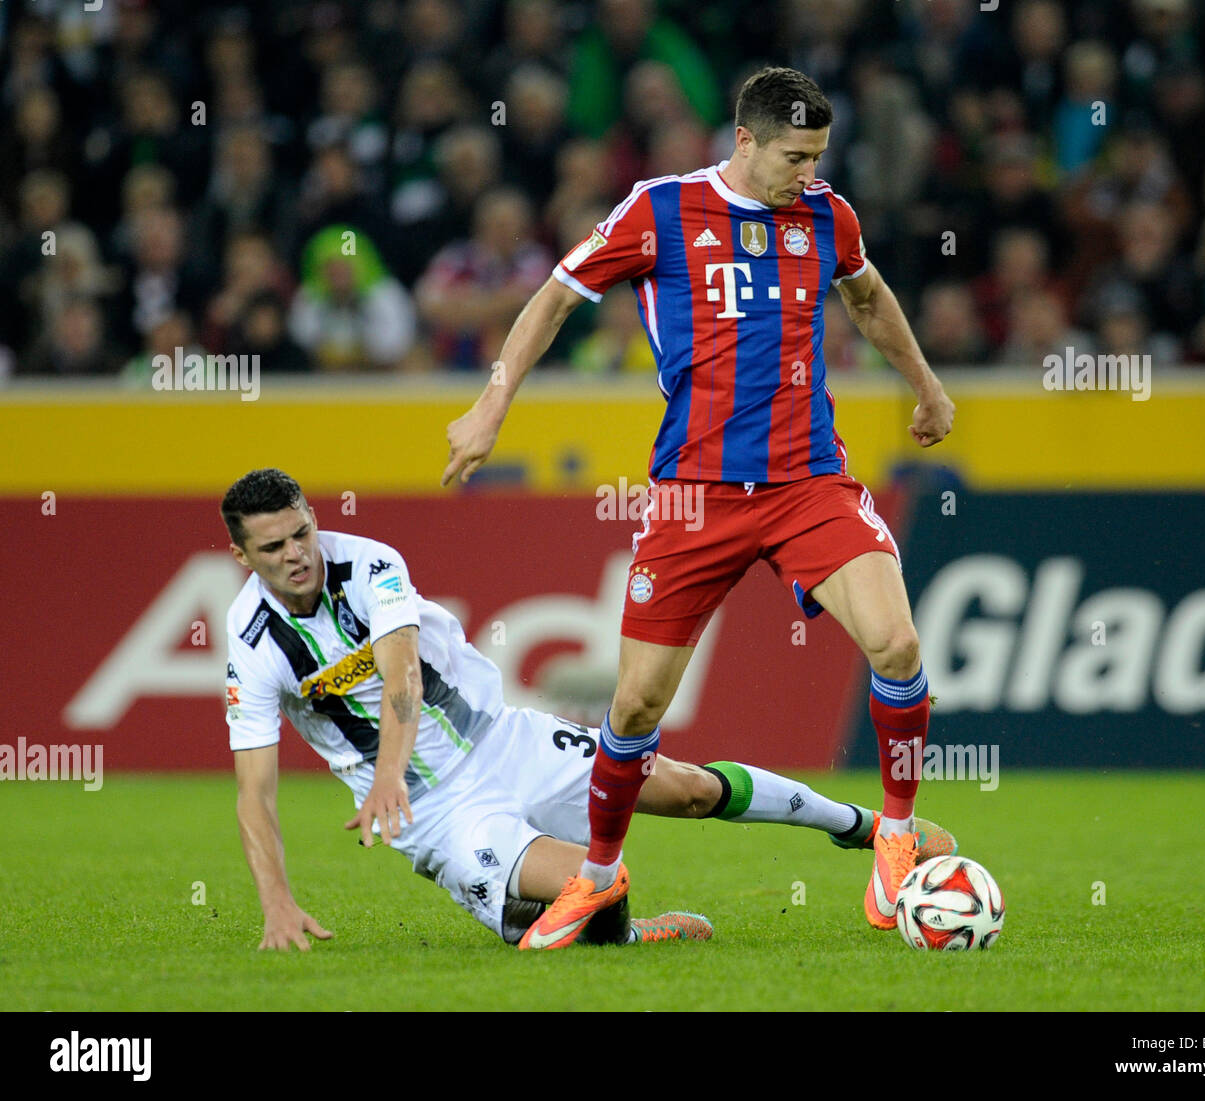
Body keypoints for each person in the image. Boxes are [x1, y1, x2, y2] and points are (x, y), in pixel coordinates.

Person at [442, 67, 956, 949]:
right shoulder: (658, 210)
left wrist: (926, 384)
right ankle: (596, 880)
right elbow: (556, 297)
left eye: (819, 156)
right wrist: (493, 401)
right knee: (636, 707)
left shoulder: (827, 217)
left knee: (898, 642)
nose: (809, 172)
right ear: (745, 142)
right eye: (795, 156)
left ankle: (898, 837)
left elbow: (866, 296)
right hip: (693, 495)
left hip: (807, 481)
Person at [222, 469, 956, 951]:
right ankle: (630, 935)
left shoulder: (369, 562)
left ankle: (862, 828)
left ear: (314, 520)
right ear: (241, 556)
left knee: (692, 788)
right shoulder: (252, 643)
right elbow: (254, 790)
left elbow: (403, 674)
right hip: (438, 814)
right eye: (274, 546)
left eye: (302, 533)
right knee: (596, 886)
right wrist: (276, 903)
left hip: (507, 740)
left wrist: (383, 770)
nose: (296, 554)